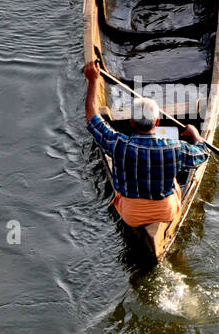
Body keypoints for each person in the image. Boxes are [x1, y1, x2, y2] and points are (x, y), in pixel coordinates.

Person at [83, 61, 209, 227]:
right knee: (175, 180)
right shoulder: (174, 147)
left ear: (132, 122)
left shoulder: (119, 144)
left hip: (131, 215)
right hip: (166, 212)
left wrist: (93, 80)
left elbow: (93, 119)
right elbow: (202, 153)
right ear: (156, 122)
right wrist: (195, 134)